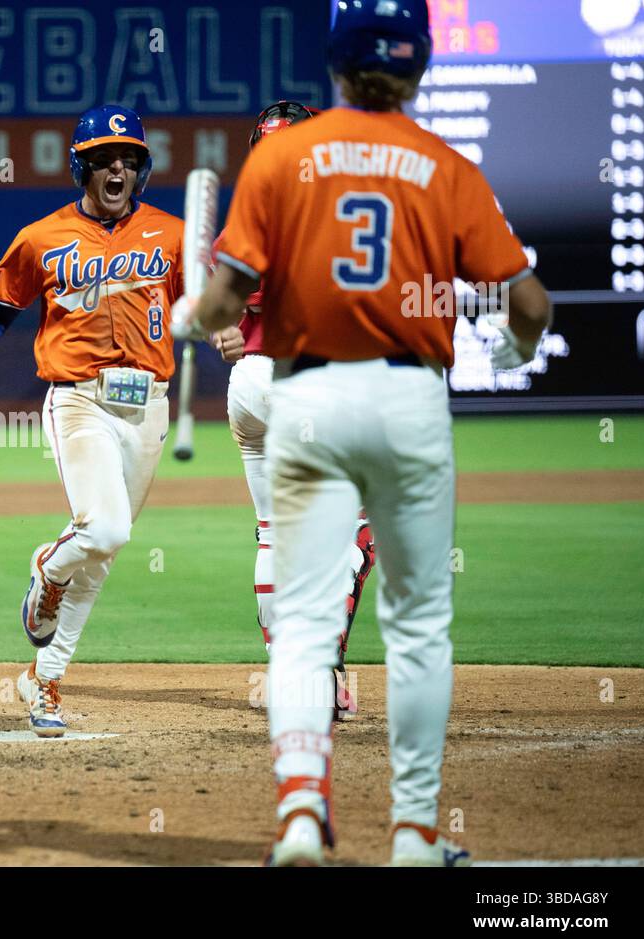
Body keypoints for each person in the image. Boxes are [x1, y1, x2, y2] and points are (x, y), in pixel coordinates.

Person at [191, 0, 552, 865]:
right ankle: (416, 835)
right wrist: (508, 345)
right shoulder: (444, 165)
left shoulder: (282, 160)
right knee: (421, 625)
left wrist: (187, 318)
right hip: (409, 402)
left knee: (306, 622)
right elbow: (530, 305)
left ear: (337, 68)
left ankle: (302, 820)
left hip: (306, 393)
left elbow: (221, 299)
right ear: (420, 68)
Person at [0, 104, 244, 737]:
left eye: (128, 158)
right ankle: (47, 567)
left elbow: (208, 304)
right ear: (81, 165)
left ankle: (44, 681)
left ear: (141, 169)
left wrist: (227, 332)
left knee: (101, 558)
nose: (117, 167)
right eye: (104, 157)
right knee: (103, 532)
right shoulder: (42, 236)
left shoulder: (170, 234)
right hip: (77, 398)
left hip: (148, 406)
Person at [210, 101, 375, 721]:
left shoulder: (241, 225)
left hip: (250, 389)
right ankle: (323, 669)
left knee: (275, 533)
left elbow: (224, 315)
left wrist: (225, 329)